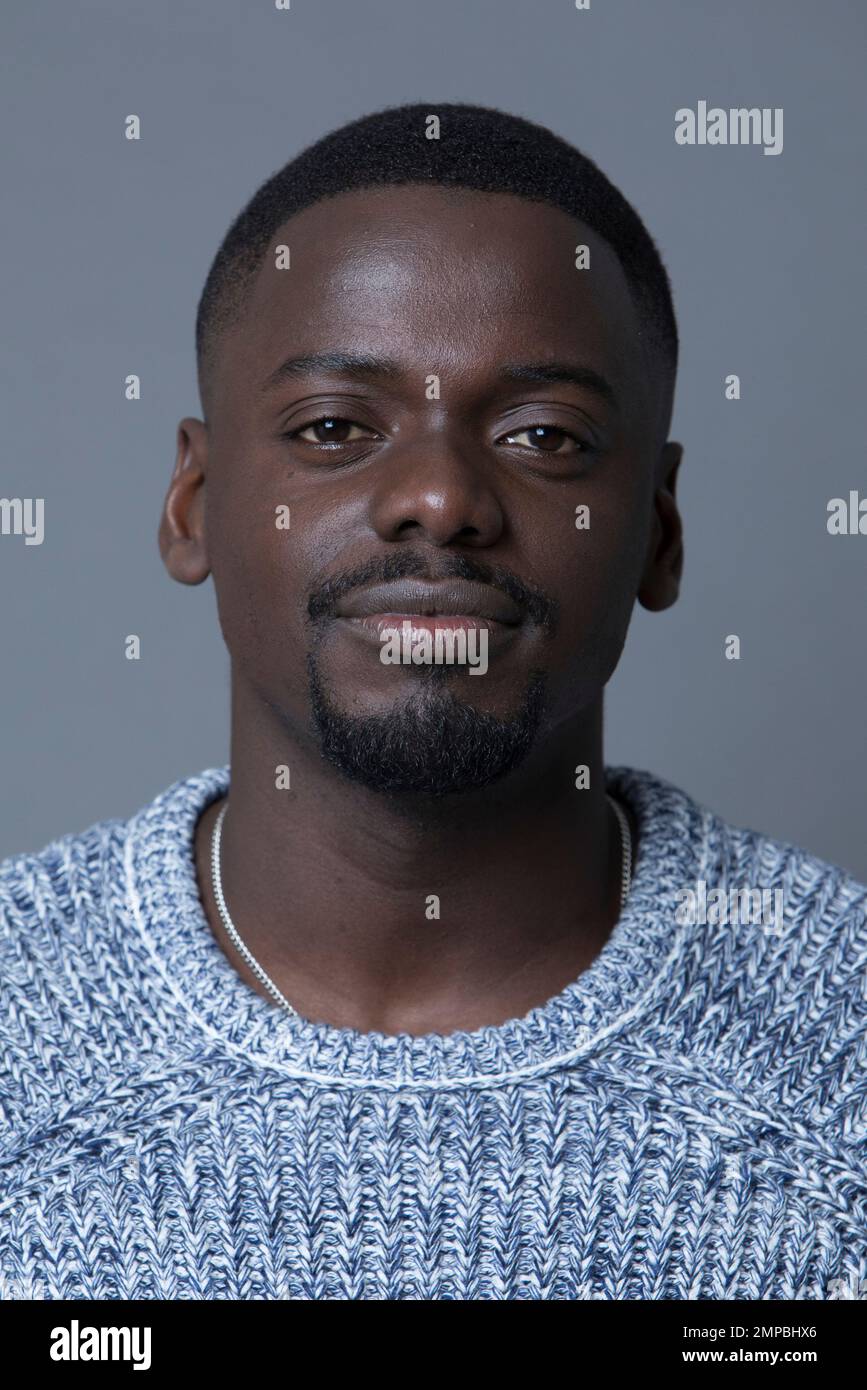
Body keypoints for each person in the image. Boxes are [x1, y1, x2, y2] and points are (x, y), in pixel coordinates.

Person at [1, 102, 865, 1302]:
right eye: (335, 427)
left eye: (545, 436)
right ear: (192, 502)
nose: (442, 498)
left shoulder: (839, 1051)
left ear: (660, 532)